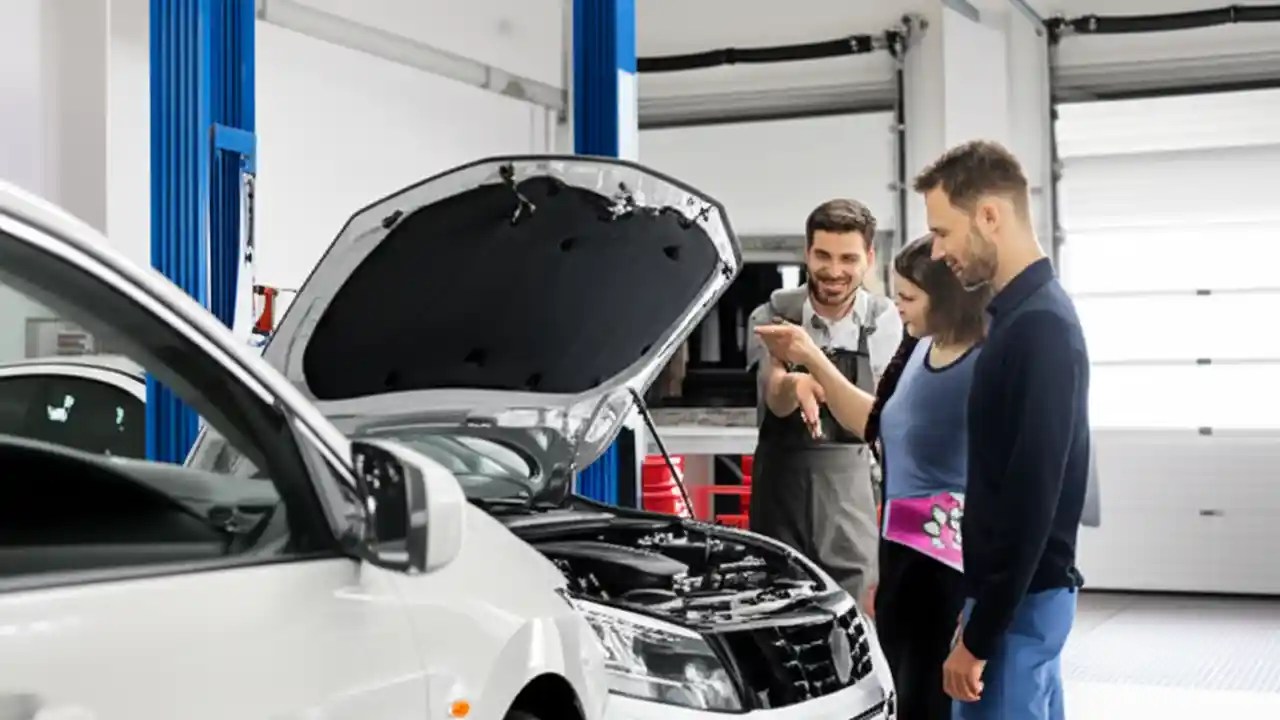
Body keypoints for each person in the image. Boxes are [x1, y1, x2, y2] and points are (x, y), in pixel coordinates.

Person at [755, 234, 991, 720]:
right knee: (897, 691)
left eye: (907, 298)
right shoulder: (920, 351)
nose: (897, 308)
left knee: (929, 697)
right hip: (902, 555)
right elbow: (878, 423)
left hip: (945, 562)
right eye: (897, 296)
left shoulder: (977, 364)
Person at [914, 140, 1091, 720]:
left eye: (943, 232)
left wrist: (980, 635)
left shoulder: (1039, 327)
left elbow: (1031, 496)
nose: (938, 253)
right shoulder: (1019, 317)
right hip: (1014, 602)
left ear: (989, 216)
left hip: (1018, 608)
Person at [744, 198, 902, 604]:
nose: (834, 271)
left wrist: (812, 360)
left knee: (853, 623)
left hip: (850, 503)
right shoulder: (774, 312)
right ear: (807, 252)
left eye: (848, 258)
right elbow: (774, 396)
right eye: (823, 256)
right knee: (775, 619)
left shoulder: (885, 322)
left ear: (869, 257)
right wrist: (793, 385)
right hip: (779, 502)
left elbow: (876, 418)